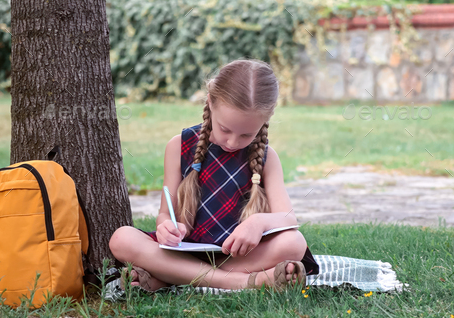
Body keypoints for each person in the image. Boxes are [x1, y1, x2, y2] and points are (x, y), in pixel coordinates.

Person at [109, 59, 320, 293]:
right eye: (225, 129)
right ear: (210, 102)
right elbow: (164, 213)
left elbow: (288, 218)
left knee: (294, 243)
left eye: (246, 134)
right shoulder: (178, 146)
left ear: (265, 120)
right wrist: (166, 226)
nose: (232, 142)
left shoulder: (267, 158)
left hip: (236, 257)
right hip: (186, 249)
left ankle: (172, 275)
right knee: (121, 238)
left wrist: (257, 222)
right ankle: (240, 282)